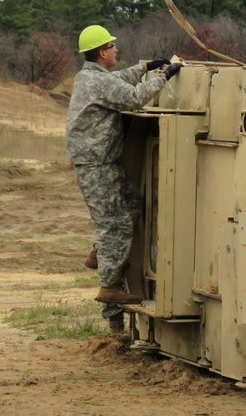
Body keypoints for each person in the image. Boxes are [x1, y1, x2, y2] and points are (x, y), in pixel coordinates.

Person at [65, 24, 182, 332]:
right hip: (96, 165)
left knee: (132, 205)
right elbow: (132, 98)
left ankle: (102, 252)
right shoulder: (96, 82)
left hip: (102, 163)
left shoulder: (92, 77)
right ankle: (109, 285)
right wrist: (166, 75)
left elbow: (120, 80)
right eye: (113, 46)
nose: (117, 49)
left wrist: (145, 67)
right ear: (102, 52)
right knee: (113, 224)